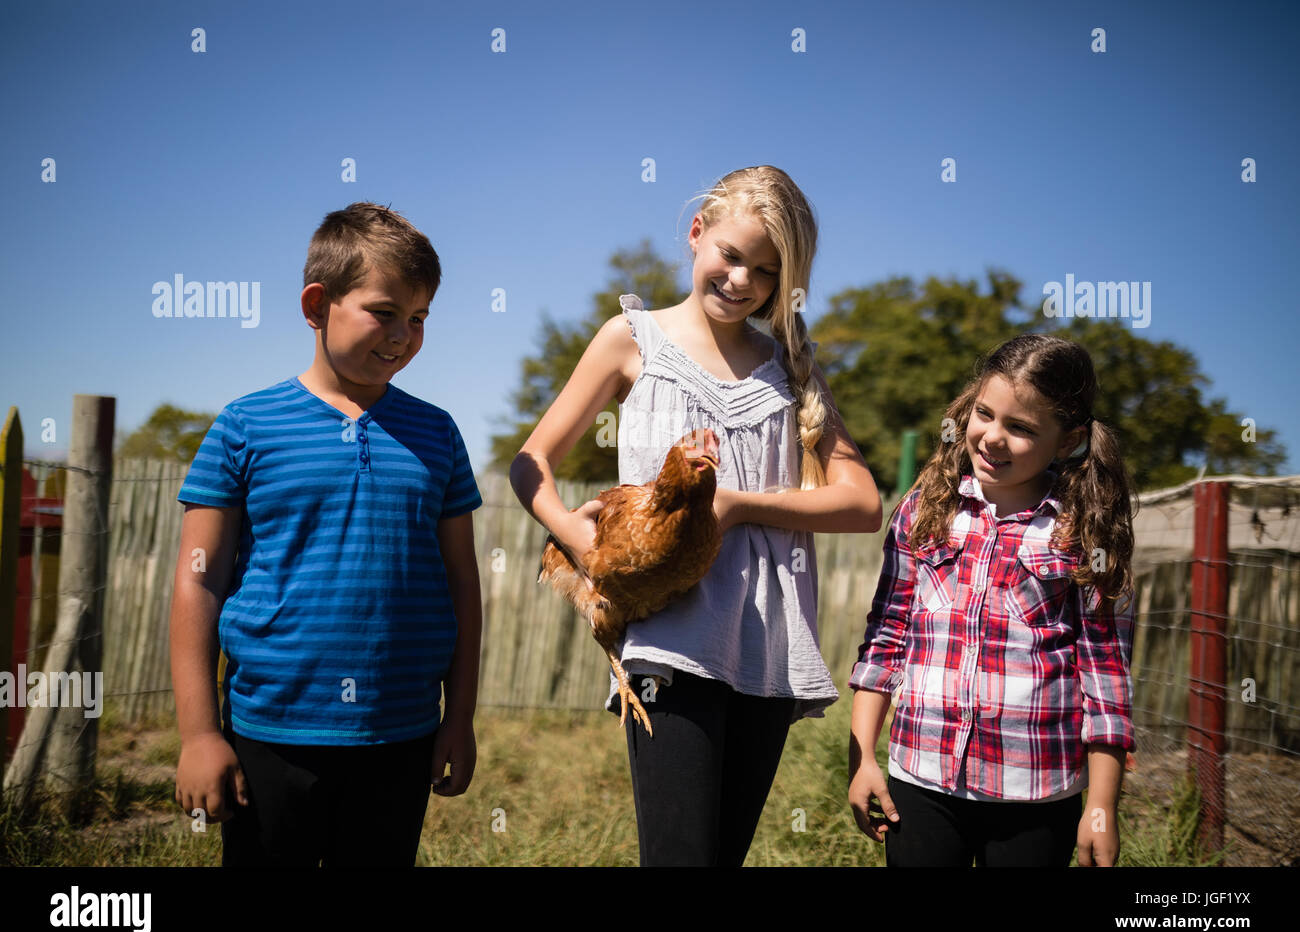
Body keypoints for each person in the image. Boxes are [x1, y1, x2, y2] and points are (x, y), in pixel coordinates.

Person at [511, 165, 881, 866]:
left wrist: (739, 507)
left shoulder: (790, 367)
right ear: (695, 235)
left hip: (765, 644)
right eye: (731, 255)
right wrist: (576, 538)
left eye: (766, 271)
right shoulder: (634, 340)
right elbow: (530, 462)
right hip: (671, 636)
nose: (742, 280)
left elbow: (864, 504)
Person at [170, 202, 482, 867]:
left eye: (420, 317)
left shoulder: (438, 434)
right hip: (270, 733)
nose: (403, 334)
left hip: (402, 734)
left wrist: (459, 718)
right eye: (385, 311)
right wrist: (199, 734)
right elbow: (198, 579)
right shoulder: (246, 426)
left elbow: (463, 583)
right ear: (318, 305)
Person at [848, 334, 1136, 866]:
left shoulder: (1082, 534)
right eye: (985, 414)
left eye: (1022, 428)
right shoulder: (923, 511)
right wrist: (863, 756)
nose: (993, 437)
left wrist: (1100, 806)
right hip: (920, 778)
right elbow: (885, 639)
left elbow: (1106, 678)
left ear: (1069, 440)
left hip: (1036, 791)